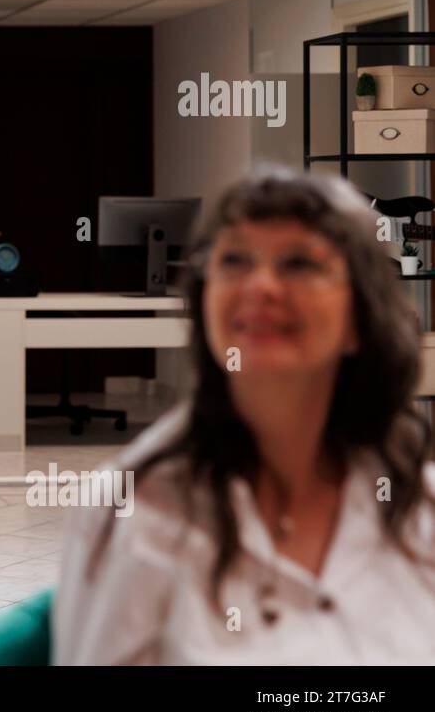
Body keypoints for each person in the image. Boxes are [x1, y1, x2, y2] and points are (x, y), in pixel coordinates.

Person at [55, 169, 435, 664]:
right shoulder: (140, 509)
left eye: (299, 263)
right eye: (233, 260)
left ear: (360, 320)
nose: (260, 286)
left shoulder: (415, 499)